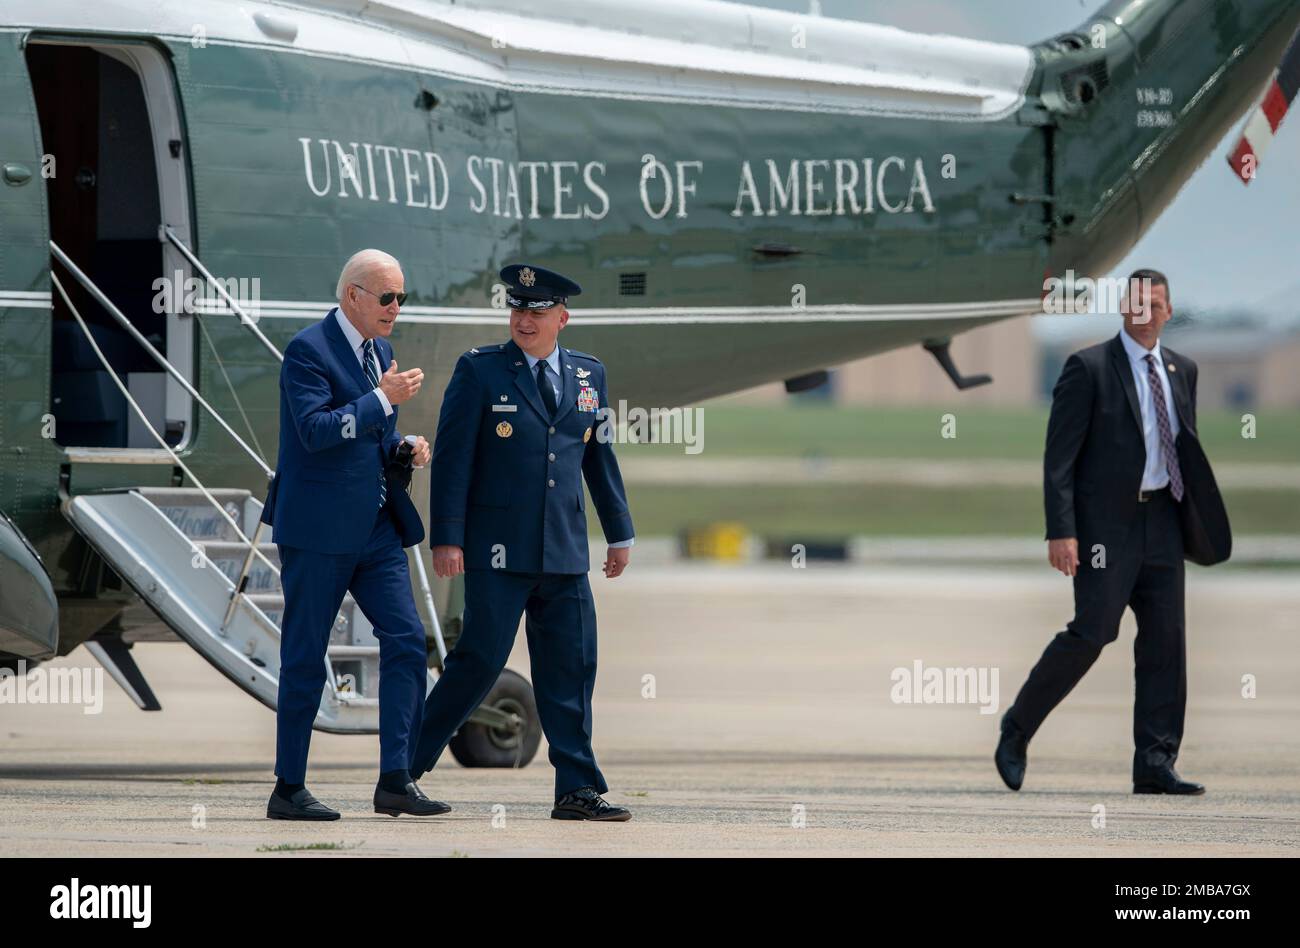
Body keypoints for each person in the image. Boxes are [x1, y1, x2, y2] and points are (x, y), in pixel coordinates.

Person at [412, 263, 635, 821]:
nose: (524, 320)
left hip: (563, 551)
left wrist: (619, 533)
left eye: (536, 311)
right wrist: (448, 539)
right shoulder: (481, 371)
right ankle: (403, 769)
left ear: (562, 317)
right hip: (497, 551)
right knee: (478, 662)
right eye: (517, 309)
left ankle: (577, 790)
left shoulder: (588, 376)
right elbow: (454, 462)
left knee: (571, 668)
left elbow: (598, 459)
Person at [996, 269, 1230, 795]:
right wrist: (1062, 530)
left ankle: (1154, 763)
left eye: (1157, 303)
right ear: (1124, 309)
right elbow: (1059, 458)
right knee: (1093, 631)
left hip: (1164, 522)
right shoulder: (1089, 367)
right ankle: (1017, 728)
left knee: (1166, 644)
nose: (1146, 311)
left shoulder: (1181, 370)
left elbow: (1184, 448)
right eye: (1137, 302)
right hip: (1105, 530)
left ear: (1169, 312)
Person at [260, 249, 448, 820]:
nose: (396, 308)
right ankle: (288, 787)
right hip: (317, 530)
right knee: (303, 654)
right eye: (387, 297)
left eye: (402, 298)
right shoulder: (307, 351)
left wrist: (402, 446)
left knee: (408, 638)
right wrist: (381, 401)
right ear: (353, 297)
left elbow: (369, 437)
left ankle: (395, 776)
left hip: (374, 526)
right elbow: (315, 432)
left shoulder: (380, 351)